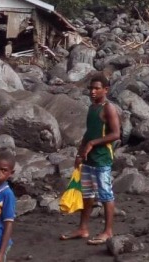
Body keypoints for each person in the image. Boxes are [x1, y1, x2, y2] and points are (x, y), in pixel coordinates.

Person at [61, 74, 121, 246]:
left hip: (102, 158)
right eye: (91, 88)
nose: (92, 92)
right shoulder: (92, 107)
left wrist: (93, 143)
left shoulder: (108, 108)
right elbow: (88, 133)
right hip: (88, 158)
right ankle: (83, 228)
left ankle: (108, 231)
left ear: (106, 90)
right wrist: (80, 153)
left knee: (105, 194)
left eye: (97, 88)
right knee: (87, 194)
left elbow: (116, 134)